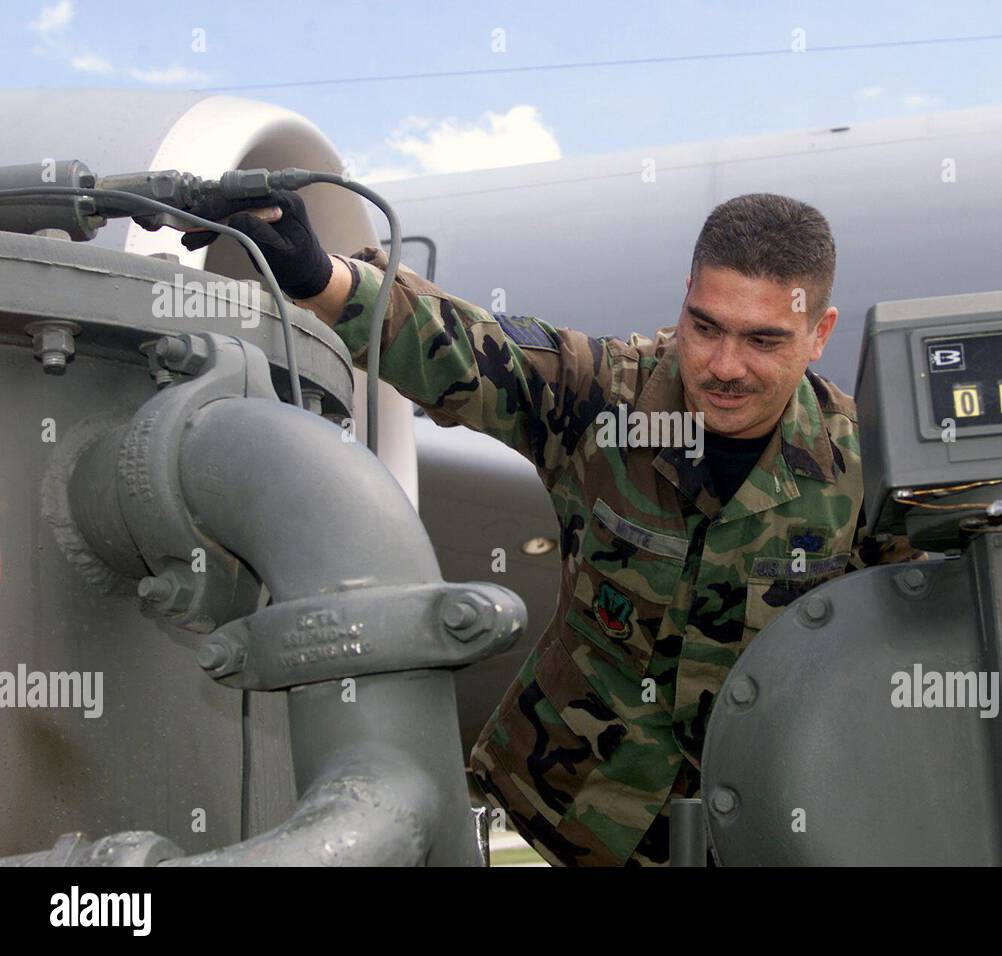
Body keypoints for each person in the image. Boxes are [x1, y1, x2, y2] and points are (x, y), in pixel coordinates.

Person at [173, 189, 924, 866]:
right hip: (577, 812)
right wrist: (318, 277)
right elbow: (467, 346)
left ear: (819, 332)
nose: (724, 366)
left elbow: (920, 637)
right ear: (684, 299)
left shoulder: (864, 466)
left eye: (763, 341)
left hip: (765, 823)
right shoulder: (605, 398)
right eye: (705, 328)